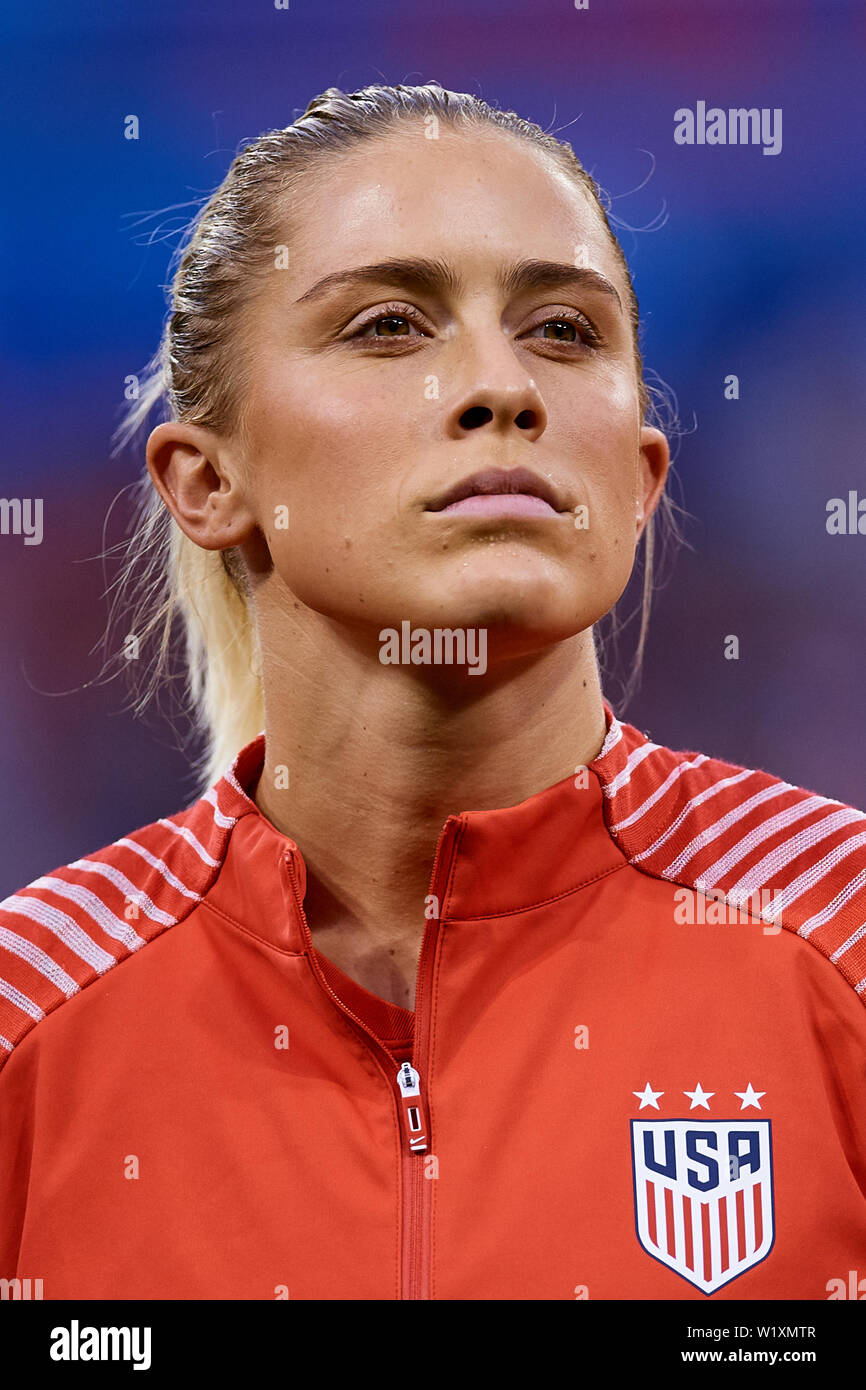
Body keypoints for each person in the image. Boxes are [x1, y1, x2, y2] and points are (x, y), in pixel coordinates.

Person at [0, 82, 864, 1302]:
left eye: (564, 330)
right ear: (204, 482)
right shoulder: (28, 1011)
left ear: (638, 478)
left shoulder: (841, 931)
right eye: (390, 325)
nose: (502, 389)